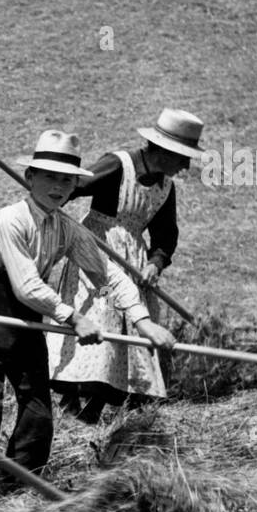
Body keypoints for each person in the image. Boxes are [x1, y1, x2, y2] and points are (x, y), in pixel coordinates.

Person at [0, 129, 177, 497]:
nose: (58, 187)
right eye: (49, 177)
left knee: (38, 415)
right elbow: (27, 286)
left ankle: (19, 490)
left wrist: (143, 322)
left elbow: (110, 274)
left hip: (30, 325)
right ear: (30, 177)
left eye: (67, 180)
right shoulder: (8, 220)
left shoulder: (68, 229)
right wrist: (74, 317)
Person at [49, 108, 204, 424]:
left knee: (127, 327)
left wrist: (154, 264)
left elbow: (165, 235)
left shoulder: (165, 188)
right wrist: (51, 203)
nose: (186, 166)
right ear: (165, 150)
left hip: (132, 263)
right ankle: (69, 401)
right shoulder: (118, 165)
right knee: (102, 317)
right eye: (183, 157)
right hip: (95, 254)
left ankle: (93, 409)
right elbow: (75, 187)